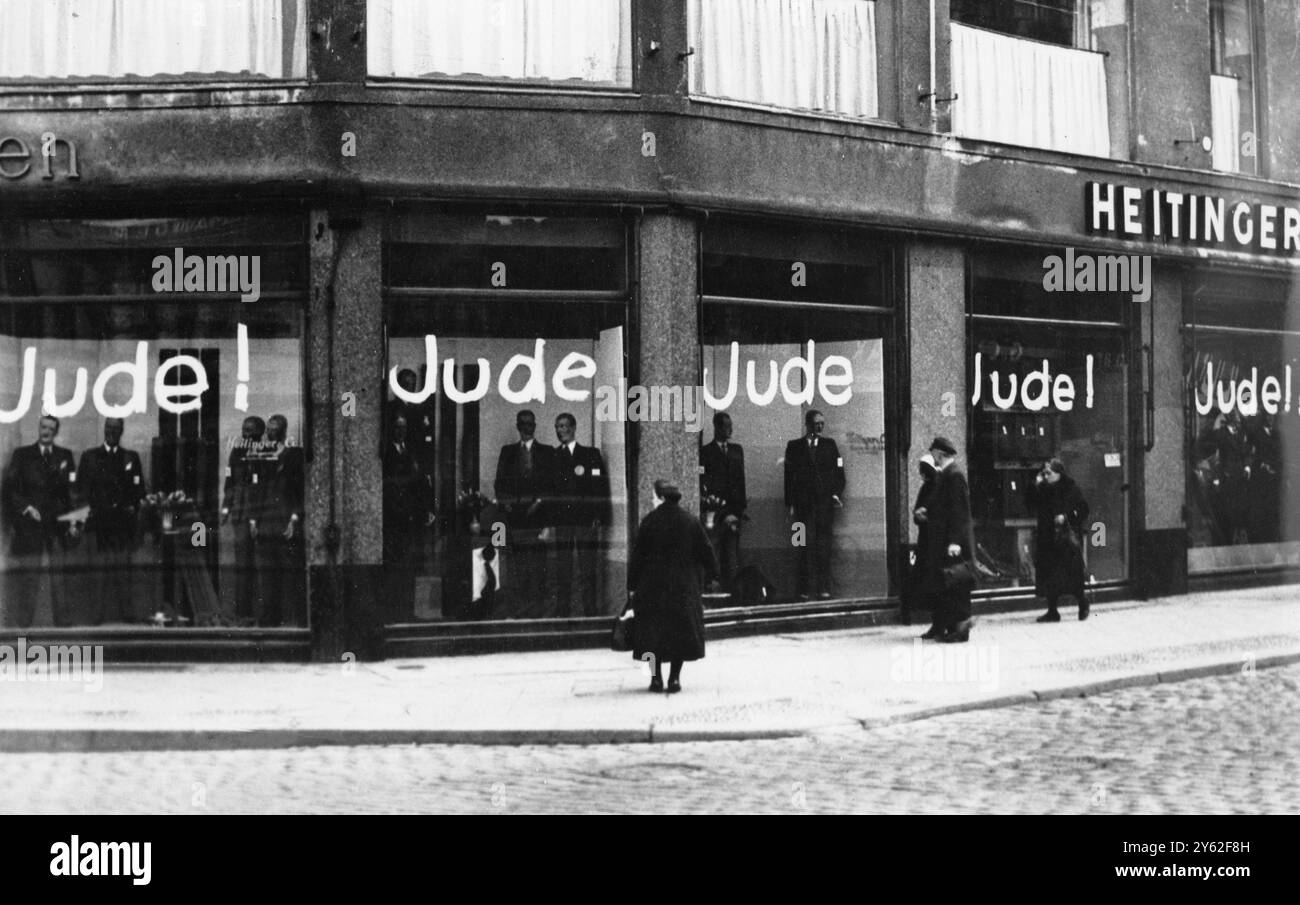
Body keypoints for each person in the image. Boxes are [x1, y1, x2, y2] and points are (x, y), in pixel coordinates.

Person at [628, 479, 718, 693]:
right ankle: (675, 679)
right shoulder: (690, 521)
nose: (651, 499)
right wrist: (713, 575)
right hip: (683, 589)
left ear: (660, 497)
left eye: (652, 496)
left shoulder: (649, 521)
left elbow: (638, 557)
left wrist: (632, 585)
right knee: (680, 635)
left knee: (650, 638)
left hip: (652, 589)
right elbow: (707, 551)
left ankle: (655, 679)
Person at [2, 414, 76, 627]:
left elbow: (70, 494)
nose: (46, 432)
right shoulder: (23, 455)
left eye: (50, 429)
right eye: (43, 427)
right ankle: (23, 627)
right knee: (29, 577)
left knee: (59, 578)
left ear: (55, 432)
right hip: (30, 527)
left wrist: (72, 523)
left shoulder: (65, 456)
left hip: (56, 526)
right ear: (38, 427)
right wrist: (27, 508)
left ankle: (62, 625)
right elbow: (11, 490)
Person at [78, 417, 147, 624]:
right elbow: (81, 490)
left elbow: (139, 489)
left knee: (123, 571)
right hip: (99, 524)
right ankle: (96, 617)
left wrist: (133, 507)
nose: (112, 432)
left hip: (122, 525)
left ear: (122, 431)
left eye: (116, 429)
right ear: (104, 429)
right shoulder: (89, 457)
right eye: (109, 428)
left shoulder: (131, 457)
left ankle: (127, 615)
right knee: (98, 572)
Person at [548, 413, 611, 618]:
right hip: (563, 521)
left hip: (586, 520)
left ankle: (590, 611)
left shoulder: (590, 454)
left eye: (564, 426)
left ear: (574, 428)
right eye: (557, 427)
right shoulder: (554, 456)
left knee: (587, 568)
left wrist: (600, 517)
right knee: (563, 567)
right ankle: (562, 611)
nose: (561, 430)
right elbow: (550, 491)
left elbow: (600, 488)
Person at [493, 410, 554, 618]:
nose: (526, 428)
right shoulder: (508, 452)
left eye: (529, 424)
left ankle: (536, 614)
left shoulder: (547, 452)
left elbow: (551, 486)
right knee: (516, 568)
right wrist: (508, 505)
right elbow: (499, 484)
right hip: (514, 520)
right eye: (522, 424)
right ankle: (518, 613)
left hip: (538, 520)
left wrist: (539, 506)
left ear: (534, 426)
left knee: (538, 568)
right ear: (517, 426)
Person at [783, 409, 845, 600]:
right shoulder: (794, 447)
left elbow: (839, 473)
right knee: (801, 545)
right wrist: (790, 503)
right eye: (816, 423)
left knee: (823, 547)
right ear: (808, 424)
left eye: (822, 423)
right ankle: (802, 589)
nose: (819, 427)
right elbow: (788, 477)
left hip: (824, 506)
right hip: (801, 507)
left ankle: (823, 588)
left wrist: (835, 493)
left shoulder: (830, 445)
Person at [920, 437, 975, 643]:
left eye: (933, 452)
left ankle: (961, 630)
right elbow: (943, 506)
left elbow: (959, 511)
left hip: (951, 543)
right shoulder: (946, 474)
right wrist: (928, 510)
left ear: (940, 453)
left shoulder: (955, 475)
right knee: (946, 585)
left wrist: (955, 541)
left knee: (957, 585)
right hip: (941, 541)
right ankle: (944, 626)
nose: (931, 455)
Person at [254, 414, 304, 627]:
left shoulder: (293, 456)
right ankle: (269, 620)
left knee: (289, 573)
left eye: (275, 430)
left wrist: (294, 518)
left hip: (284, 520)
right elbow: (256, 490)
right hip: (266, 521)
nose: (271, 434)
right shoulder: (261, 456)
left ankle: (293, 620)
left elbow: (299, 490)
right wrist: (253, 521)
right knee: (267, 575)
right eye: (269, 430)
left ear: (283, 432)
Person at [1027, 458, 1091, 622]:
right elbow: (1029, 503)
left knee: (1070, 574)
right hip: (1047, 538)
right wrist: (1036, 483)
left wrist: (1067, 516)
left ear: (1059, 473)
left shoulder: (1070, 487)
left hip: (1065, 539)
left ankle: (1082, 602)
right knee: (1049, 575)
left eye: (1049, 473)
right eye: (1044, 473)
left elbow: (1083, 509)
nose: (1046, 476)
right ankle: (1052, 611)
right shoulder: (1043, 488)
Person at [383, 413, 433, 622]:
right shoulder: (386, 453)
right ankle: (395, 611)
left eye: (403, 427)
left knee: (410, 563)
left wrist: (426, 509)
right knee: (394, 565)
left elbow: (421, 483)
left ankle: (410, 610)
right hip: (394, 517)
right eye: (397, 427)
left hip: (411, 517)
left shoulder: (412, 452)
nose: (400, 431)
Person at [221, 416, 266, 625]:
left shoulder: (266, 453)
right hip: (240, 514)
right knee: (242, 565)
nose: (247, 435)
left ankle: (261, 615)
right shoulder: (237, 453)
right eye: (244, 430)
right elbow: (229, 482)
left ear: (260, 433)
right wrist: (225, 508)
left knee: (260, 566)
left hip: (260, 515)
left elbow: (264, 488)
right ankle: (243, 614)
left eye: (251, 431)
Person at [700, 412, 747, 592]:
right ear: (717, 427)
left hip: (734, 510)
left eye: (730, 425)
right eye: (726, 426)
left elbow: (740, 480)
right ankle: (716, 588)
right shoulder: (706, 452)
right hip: (716, 511)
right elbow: (705, 484)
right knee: (716, 551)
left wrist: (738, 510)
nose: (730, 430)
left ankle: (732, 591)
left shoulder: (736, 450)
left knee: (732, 553)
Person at [906, 454, 938, 632]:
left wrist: (925, 516)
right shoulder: (926, 488)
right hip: (925, 541)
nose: (922, 474)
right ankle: (935, 620)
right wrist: (918, 516)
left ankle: (938, 622)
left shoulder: (937, 487)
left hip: (934, 542)